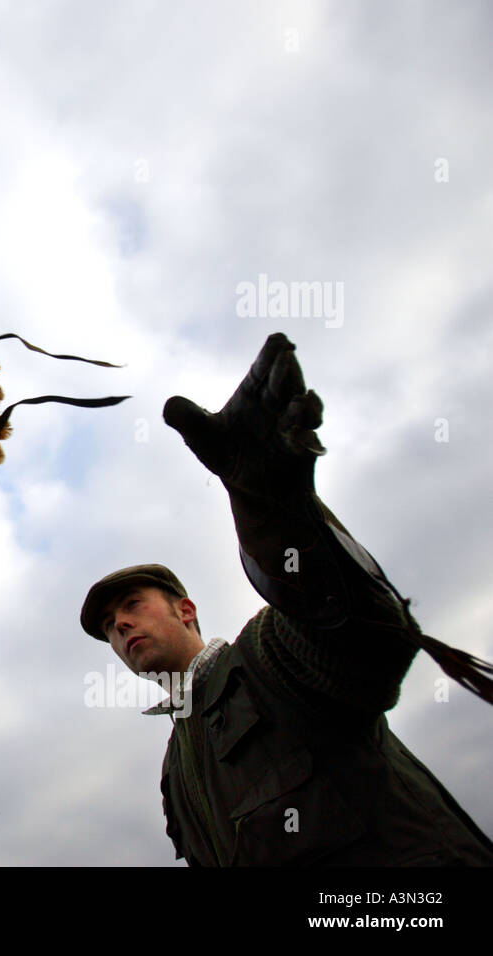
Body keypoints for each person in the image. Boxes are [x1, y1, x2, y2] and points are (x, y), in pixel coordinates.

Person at [79, 333, 493, 866]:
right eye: (111, 625)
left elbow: (361, 640)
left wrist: (272, 509)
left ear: (186, 610)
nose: (120, 626)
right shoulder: (174, 773)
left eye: (133, 605)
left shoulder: (267, 657)